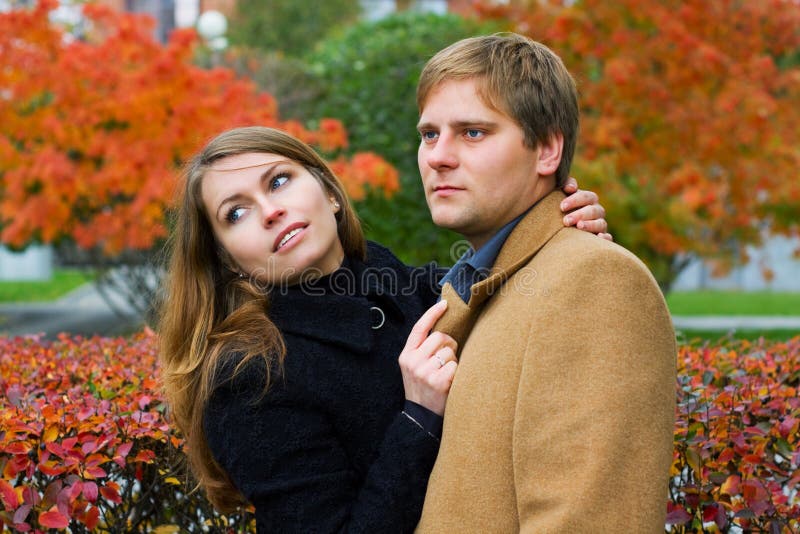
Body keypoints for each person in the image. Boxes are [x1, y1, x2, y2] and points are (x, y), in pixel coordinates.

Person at [157, 126, 609, 532]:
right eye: (236, 213)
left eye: (279, 181)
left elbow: (514, 292)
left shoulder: (391, 280)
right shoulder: (249, 377)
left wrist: (565, 231)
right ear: (230, 262)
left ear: (330, 193)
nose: (271, 210)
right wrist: (419, 414)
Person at [413, 34, 676, 533]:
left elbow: (589, 521)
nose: (437, 156)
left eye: (472, 133)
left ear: (548, 149)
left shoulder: (595, 280)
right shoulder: (477, 282)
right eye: (429, 134)